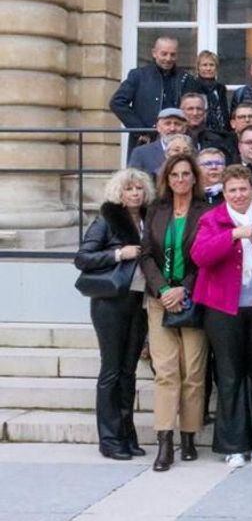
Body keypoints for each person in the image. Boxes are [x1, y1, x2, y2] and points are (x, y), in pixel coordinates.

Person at [192, 164, 252, 467]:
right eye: (232, 190)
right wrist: (233, 234)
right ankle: (233, 445)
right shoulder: (212, 219)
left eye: (243, 189)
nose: (238, 195)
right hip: (222, 308)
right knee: (230, 375)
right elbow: (200, 256)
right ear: (224, 192)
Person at [75, 168, 154, 460]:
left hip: (139, 302)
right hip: (110, 302)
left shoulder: (149, 218)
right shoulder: (106, 220)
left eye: (139, 188)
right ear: (118, 193)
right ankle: (109, 439)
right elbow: (82, 258)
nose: (134, 193)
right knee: (111, 369)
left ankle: (127, 436)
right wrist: (119, 254)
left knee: (128, 371)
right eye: (128, 189)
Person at [139, 154, 210, 472]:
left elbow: (207, 257)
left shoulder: (206, 211)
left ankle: (189, 437)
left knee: (193, 372)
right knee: (166, 371)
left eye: (185, 174)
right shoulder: (156, 209)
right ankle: (165, 441)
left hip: (193, 298)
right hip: (160, 299)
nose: (180, 180)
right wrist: (163, 290)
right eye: (174, 175)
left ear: (195, 178)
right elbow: (146, 254)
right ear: (166, 180)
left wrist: (185, 289)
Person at [110, 35, 191, 138]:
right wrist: (141, 130)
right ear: (154, 53)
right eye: (164, 54)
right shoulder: (138, 76)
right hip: (147, 139)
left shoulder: (185, 78)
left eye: (173, 54)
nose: (168, 58)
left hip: (178, 138)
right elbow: (117, 103)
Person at [129, 108, 189, 173]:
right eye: (167, 124)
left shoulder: (191, 152)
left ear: (184, 129)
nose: (172, 129)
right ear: (158, 127)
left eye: (177, 124)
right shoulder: (141, 153)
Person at [193, 50, 230, 132]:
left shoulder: (220, 88)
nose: (208, 68)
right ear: (198, 68)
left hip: (221, 132)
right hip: (200, 131)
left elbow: (224, 112)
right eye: (204, 65)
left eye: (211, 65)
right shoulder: (192, 86)